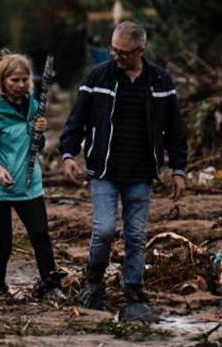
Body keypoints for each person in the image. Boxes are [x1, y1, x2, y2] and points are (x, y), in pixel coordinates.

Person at [58, 21, 188, 310]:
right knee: (104, 230)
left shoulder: (160, 81)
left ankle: (133, 289)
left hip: (141, 173)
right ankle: (94, 281)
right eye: (114, 50)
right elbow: (76, 120)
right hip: (104, 171)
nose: (117, 56)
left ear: (141, 50)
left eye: (124, 52)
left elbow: (175, 130)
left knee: (136, 235)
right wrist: (68, 154)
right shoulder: (98, 77)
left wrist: (178, 170)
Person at [0, 52, 66, 301]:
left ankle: (50, 284)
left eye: (24, 79)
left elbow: (37, 146)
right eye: (15, 80)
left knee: (40, 235)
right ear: (3, 81)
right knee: (3, 243)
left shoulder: (33, 106)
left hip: (29, 183)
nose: (21, 85)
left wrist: (40, 132)